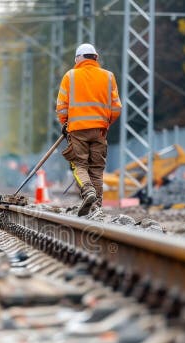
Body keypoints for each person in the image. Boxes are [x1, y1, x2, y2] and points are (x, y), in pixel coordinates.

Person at [56, 43, 122, 216]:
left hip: (77, 130)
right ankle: (96, 207)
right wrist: (105, 123)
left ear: (78, 58)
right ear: (95, 58)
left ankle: (88, 191)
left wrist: (66, 123)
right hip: (100, 130)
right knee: (97, 169)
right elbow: (116, 108)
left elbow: (61, 107)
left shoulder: (70, 76)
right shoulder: (108, 77)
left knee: (79, 165)